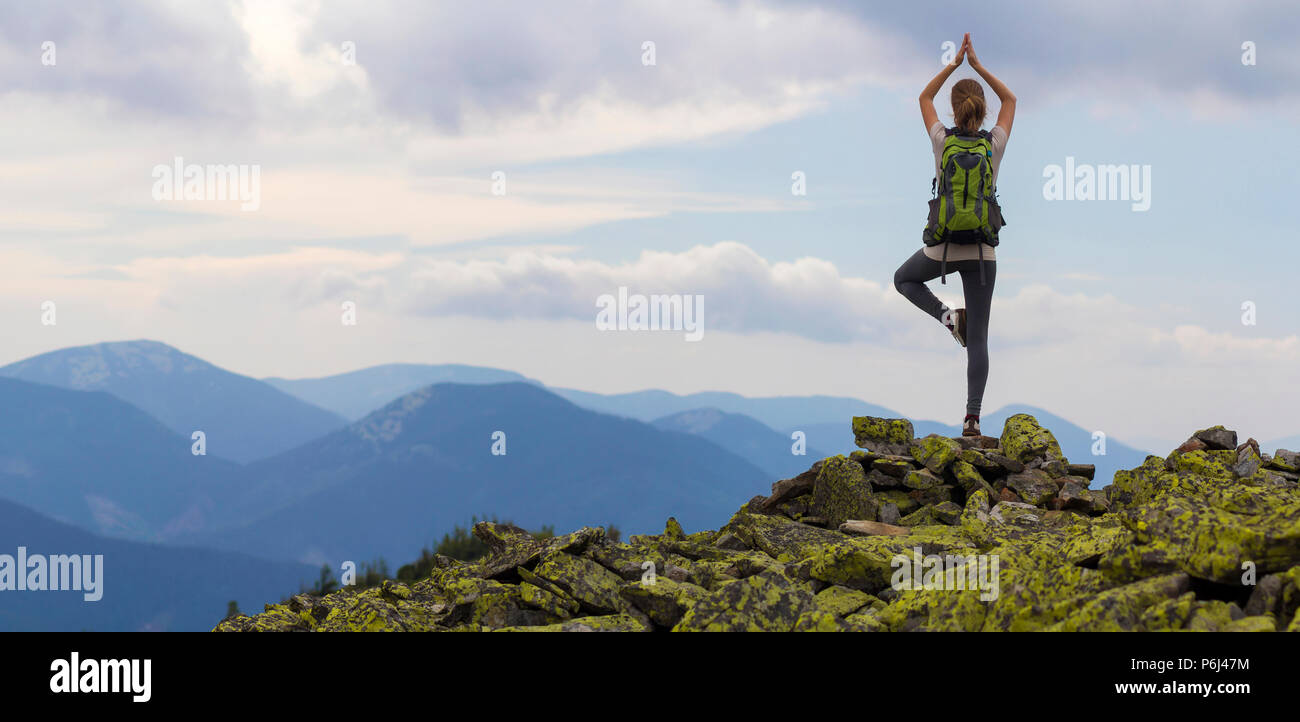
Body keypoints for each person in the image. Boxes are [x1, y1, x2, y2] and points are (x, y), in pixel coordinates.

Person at [894, 33, 1016, 437]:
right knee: (979, 338)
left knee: (903, 279)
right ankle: (972, 419)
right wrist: (978, 65)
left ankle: (947, 317)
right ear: (983, 112)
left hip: (942, 248)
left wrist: (953, 64)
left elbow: (923, 99)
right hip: (983, 253)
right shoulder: (993, 144)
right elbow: (1011, 101)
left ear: (954, 107)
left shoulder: (941, 140)